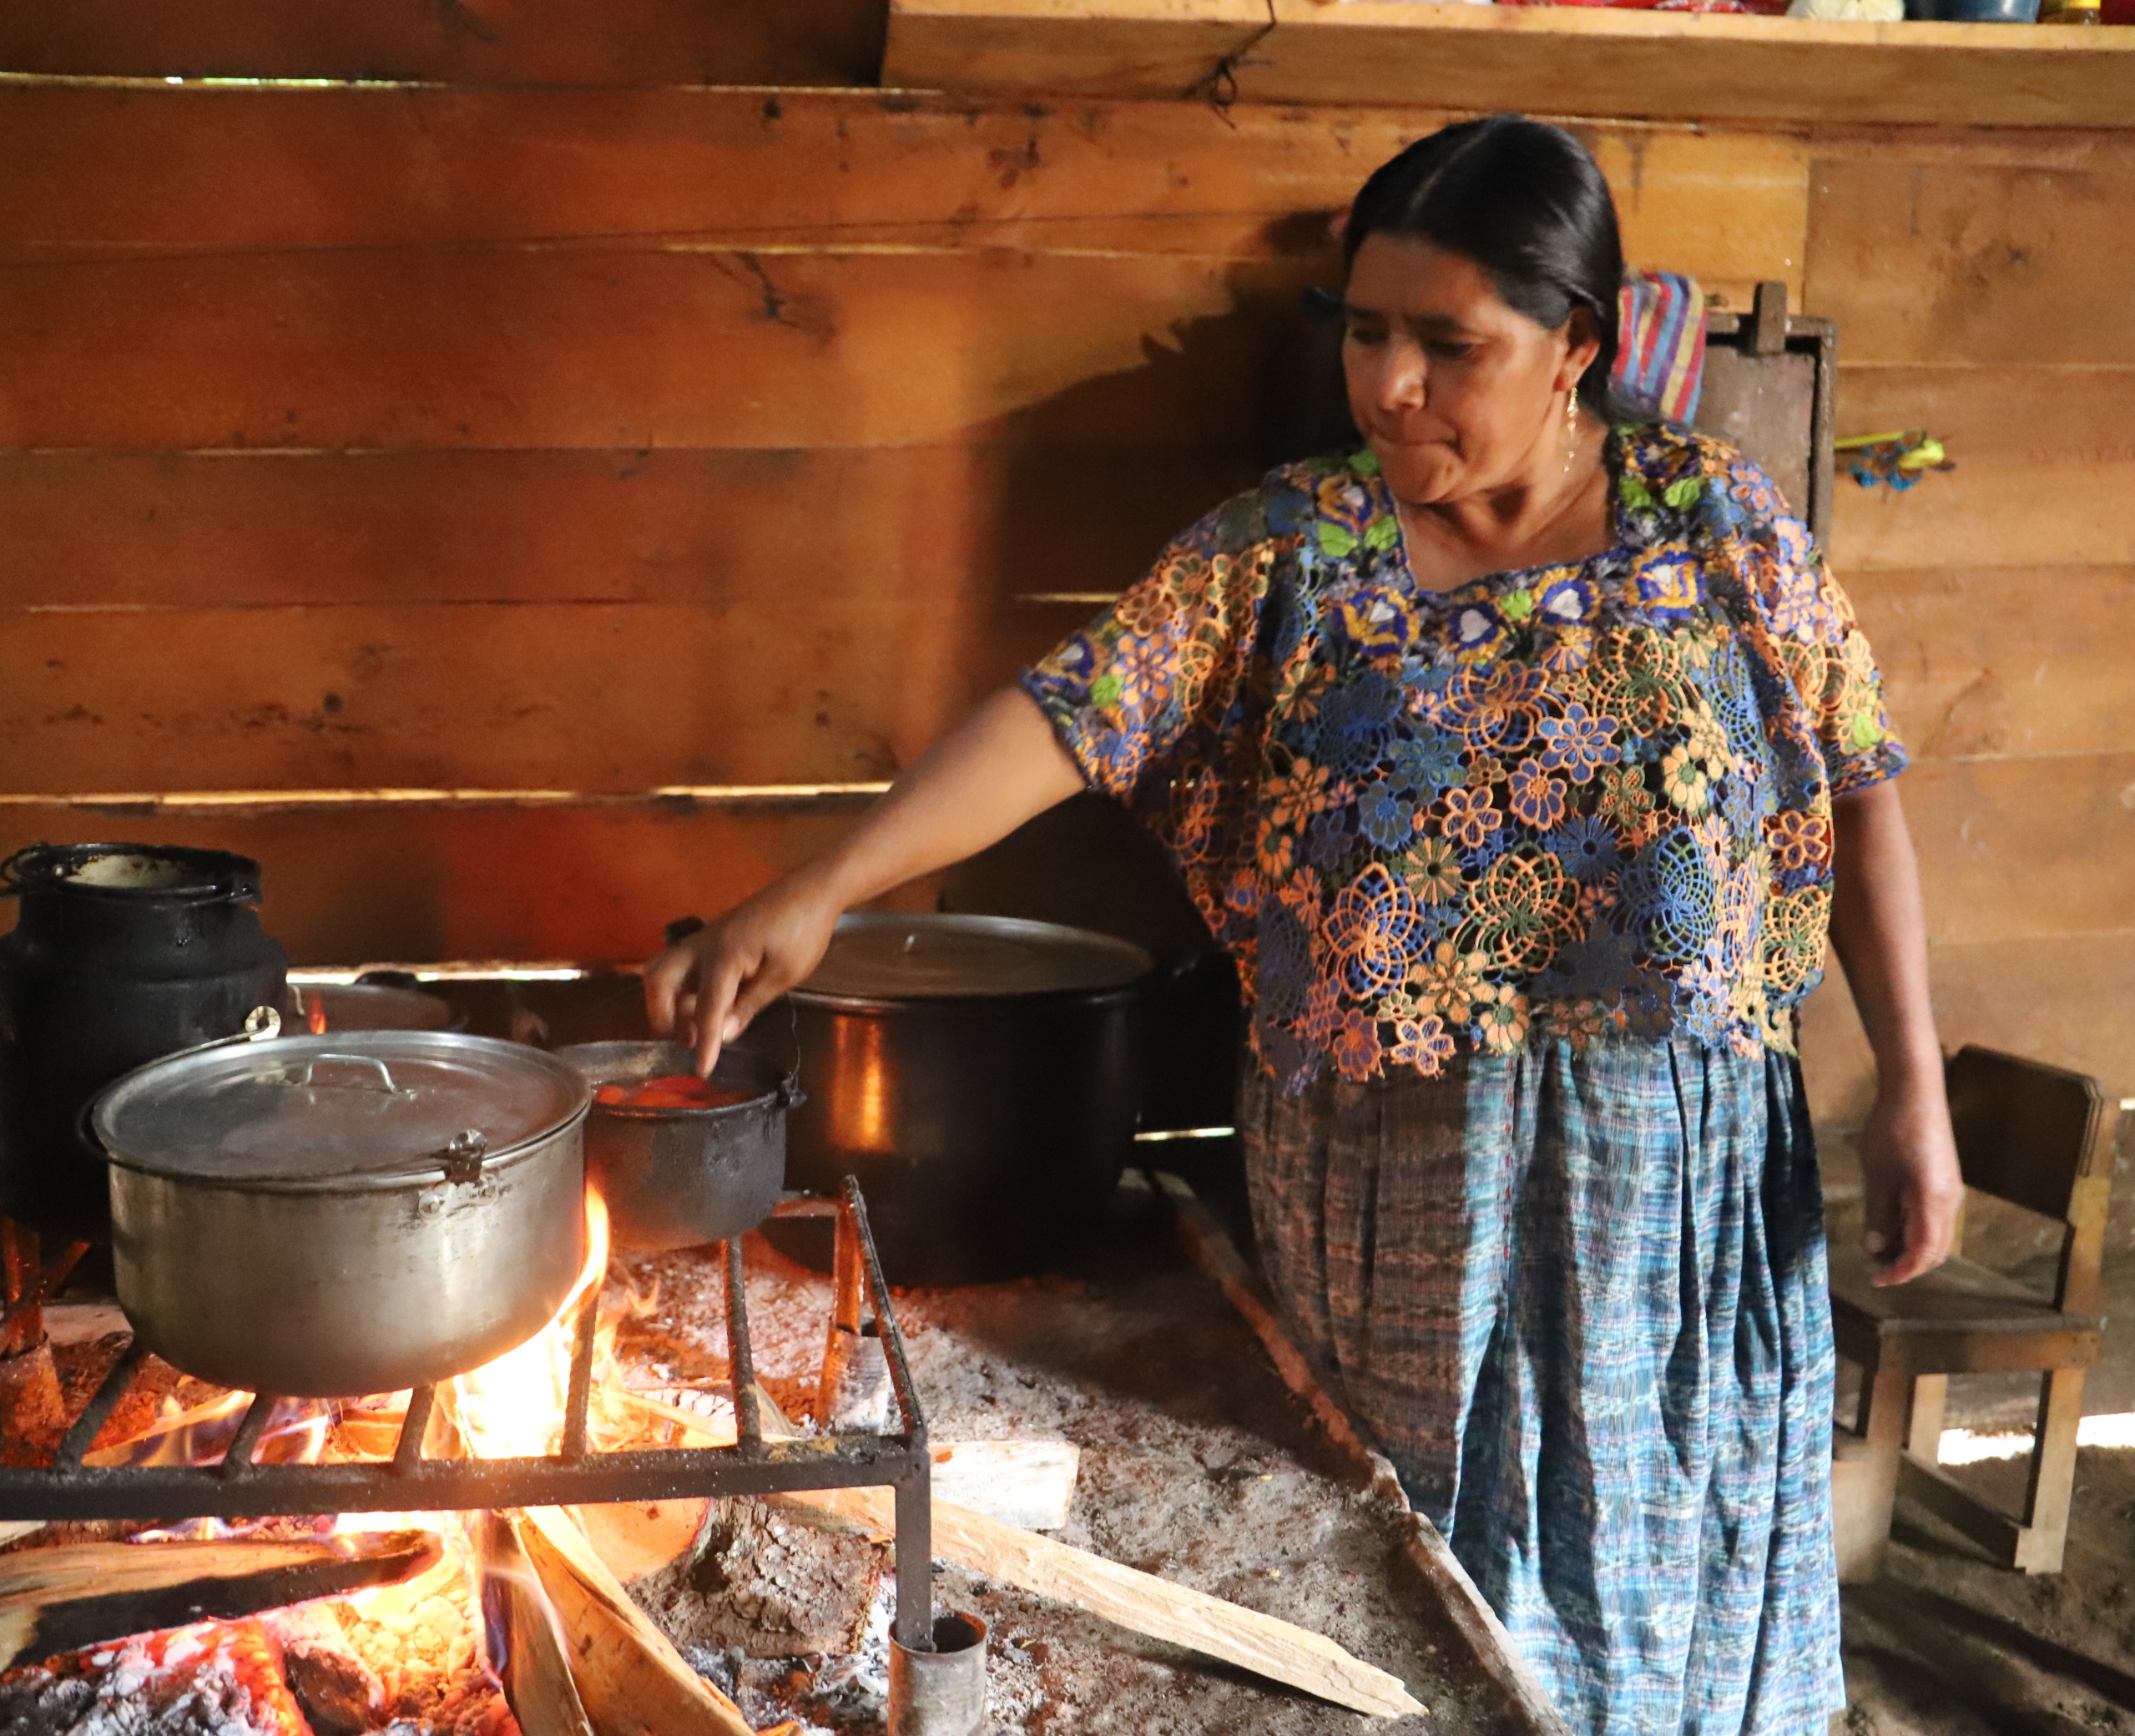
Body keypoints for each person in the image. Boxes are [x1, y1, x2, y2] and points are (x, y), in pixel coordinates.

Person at [644, 114, 1961, 1733]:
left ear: (1577, 348)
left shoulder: (1718, 526)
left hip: (1672, 1201)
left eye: (1448, 345)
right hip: (1399, 1191)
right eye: (1365, 331)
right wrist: (818, 889)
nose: (1390, 386)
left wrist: (1915, 1087)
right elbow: (1070, 715)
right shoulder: (1290, 550)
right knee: (1406, 1607)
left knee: (1667, 1585)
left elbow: (1857, 785)